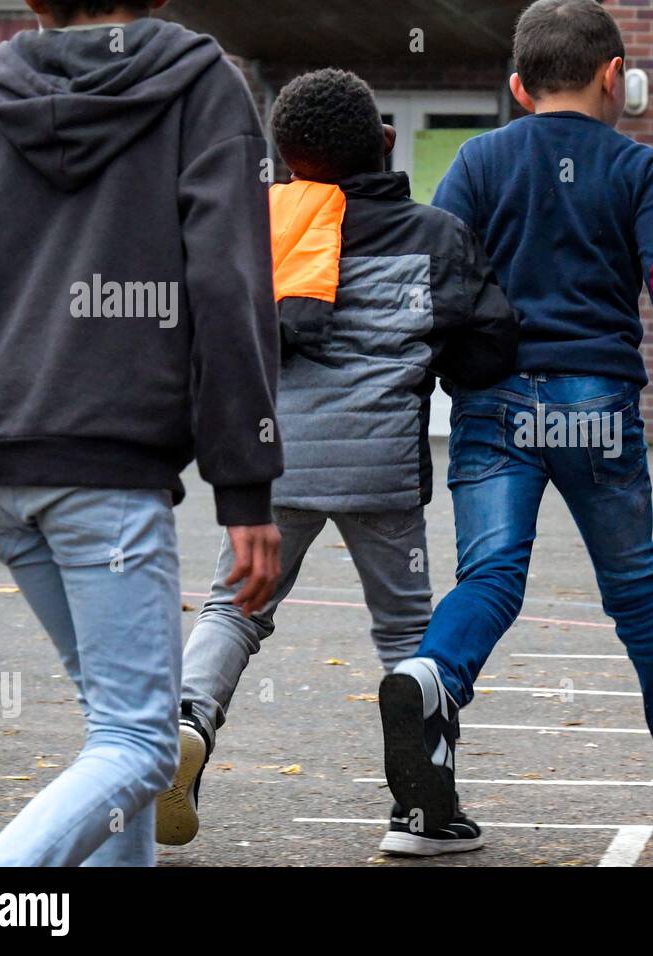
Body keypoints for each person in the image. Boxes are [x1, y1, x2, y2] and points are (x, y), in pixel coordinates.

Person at [379, 0, 653, 838]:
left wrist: (412, 395)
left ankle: (434, 677)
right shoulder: (636, 168)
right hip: (595, 402)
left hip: (493, 402)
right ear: (615, 76)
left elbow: (432, 283)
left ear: (517, 86)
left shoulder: (477, 163)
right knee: (635, 590)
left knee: (488, 580)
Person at [0, 0, 284, 866]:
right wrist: (247, 488)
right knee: (142, 747)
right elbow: (232, 287)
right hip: (106, 475)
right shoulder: (202, 87)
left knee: (119, 729)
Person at [154, 69, 519, 857]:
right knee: (408, 637)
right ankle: (426, 815)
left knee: (234, 609)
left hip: (274, 459)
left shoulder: (257, 228)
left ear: (286, 160)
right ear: (385, 142)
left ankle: (185, 721)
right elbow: (490, 348)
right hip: (383, 469)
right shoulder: (437, 235)